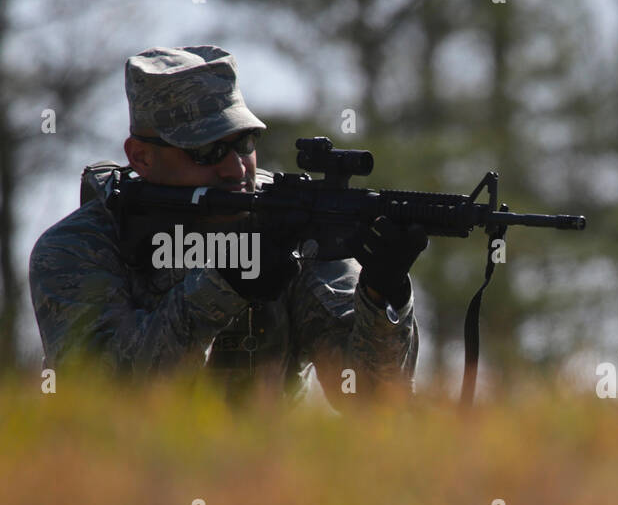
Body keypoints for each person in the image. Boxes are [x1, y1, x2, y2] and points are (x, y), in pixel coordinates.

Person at [28, 44, 423, 404]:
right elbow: (105, 396)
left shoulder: (291, 221)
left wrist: (381, 295)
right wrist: (225, 285)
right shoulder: (75, 248)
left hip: (263, 472)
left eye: (243, 143)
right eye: (207, 151)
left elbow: (373, 400)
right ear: (142, 157)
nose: (234, 167)